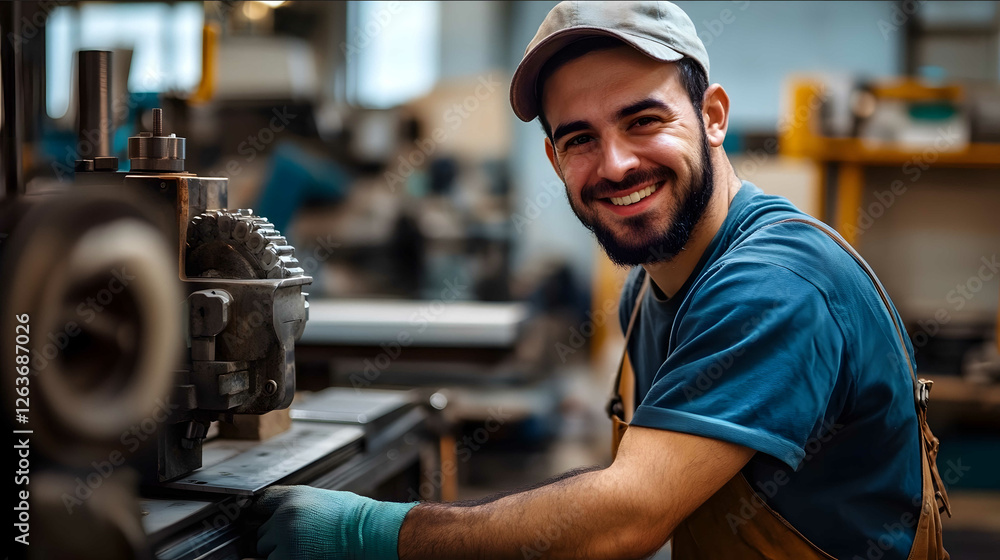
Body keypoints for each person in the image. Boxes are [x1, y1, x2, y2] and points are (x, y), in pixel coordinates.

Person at [253, 2, 951, 559]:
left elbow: (627, 517)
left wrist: (373, 535)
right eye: (581, 138)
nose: (614, 165)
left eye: (643, 120)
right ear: (557, 158)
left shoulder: (775, 286)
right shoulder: (651, 289)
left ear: (711, 117)